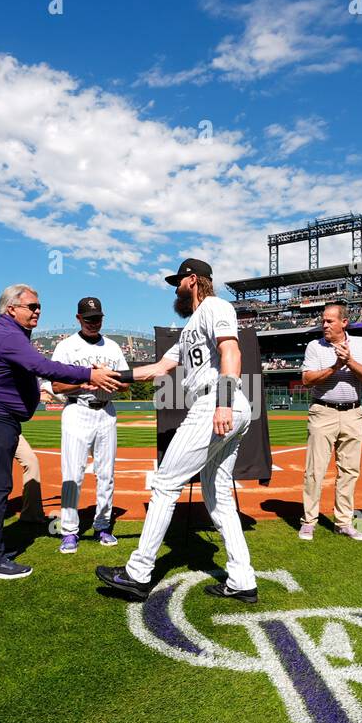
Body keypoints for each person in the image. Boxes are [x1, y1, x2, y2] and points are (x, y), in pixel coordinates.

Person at [96, 257, 258, 602]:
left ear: (194, 281)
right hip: (219, 401)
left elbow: (231, 350)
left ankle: (138, 574)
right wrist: (114, 375)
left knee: (166, 483)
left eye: (179, 282)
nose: (175, 289)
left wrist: (223, 402)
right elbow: (157, 369)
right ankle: (243, 580)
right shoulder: (188, 329)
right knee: (219, 496)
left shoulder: (216, 306)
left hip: (218, 399)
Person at [0, 284, 121, 581]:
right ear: (11, 309)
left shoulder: (11, 332)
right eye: (31, 306)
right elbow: (40, 366)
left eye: (38, 306)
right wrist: (88, 374)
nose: (38, 310)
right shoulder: (7, 333)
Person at [51, 297, 129, 553]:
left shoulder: (113, 347)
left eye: (97, 318)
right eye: (88, 319)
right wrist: (84, 381)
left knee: (106, 474)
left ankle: (103, 525)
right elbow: (57, 386)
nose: (93, 323)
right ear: (78, 319)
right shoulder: (66, 347)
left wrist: (109, 377)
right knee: (72, 474)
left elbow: (126, 383)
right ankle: (70, 531)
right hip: (77, 410)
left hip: (106, 412)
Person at [297, 302, 362, 541]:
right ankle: (309, 521)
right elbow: (307, 380)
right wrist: (335, 366)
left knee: (349, 470)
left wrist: (349, 361)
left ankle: (343, 522)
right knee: (314, 470)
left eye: (329, 321)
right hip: (323, 411)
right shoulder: (315, 346)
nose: (324, 324)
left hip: (353, 412)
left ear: (344, 322)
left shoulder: (361, 344)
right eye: (323, 320)